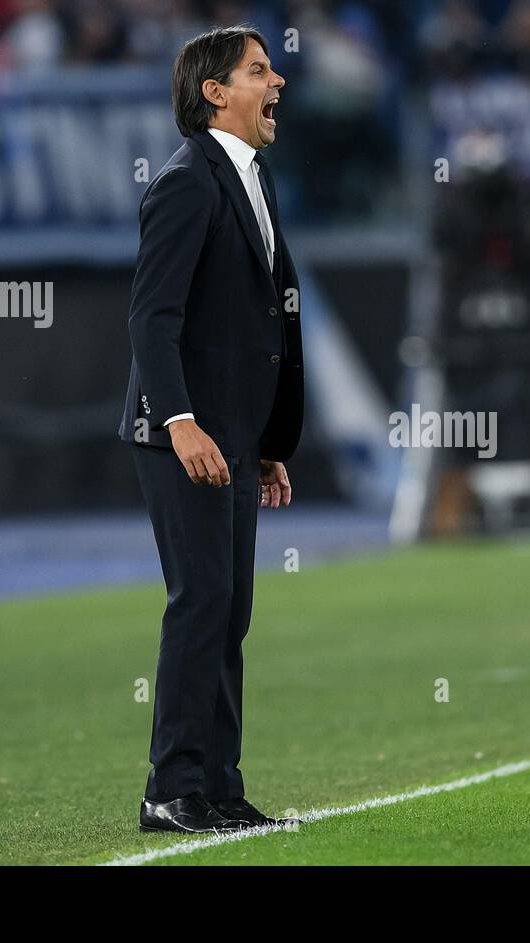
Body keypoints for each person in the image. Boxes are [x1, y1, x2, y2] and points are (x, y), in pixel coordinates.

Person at [117, 25, 304, 834]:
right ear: (214, 93)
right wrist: (183, 422)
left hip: (228, 437)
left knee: (229, 610)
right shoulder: (188, 181)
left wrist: (264, 442)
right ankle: (171, 787)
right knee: (201, 602)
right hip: (181, 436)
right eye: (259, 71)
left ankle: (219, 786)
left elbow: (256, 322)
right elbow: (151, 319)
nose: (279, 83)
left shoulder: (251, 180)